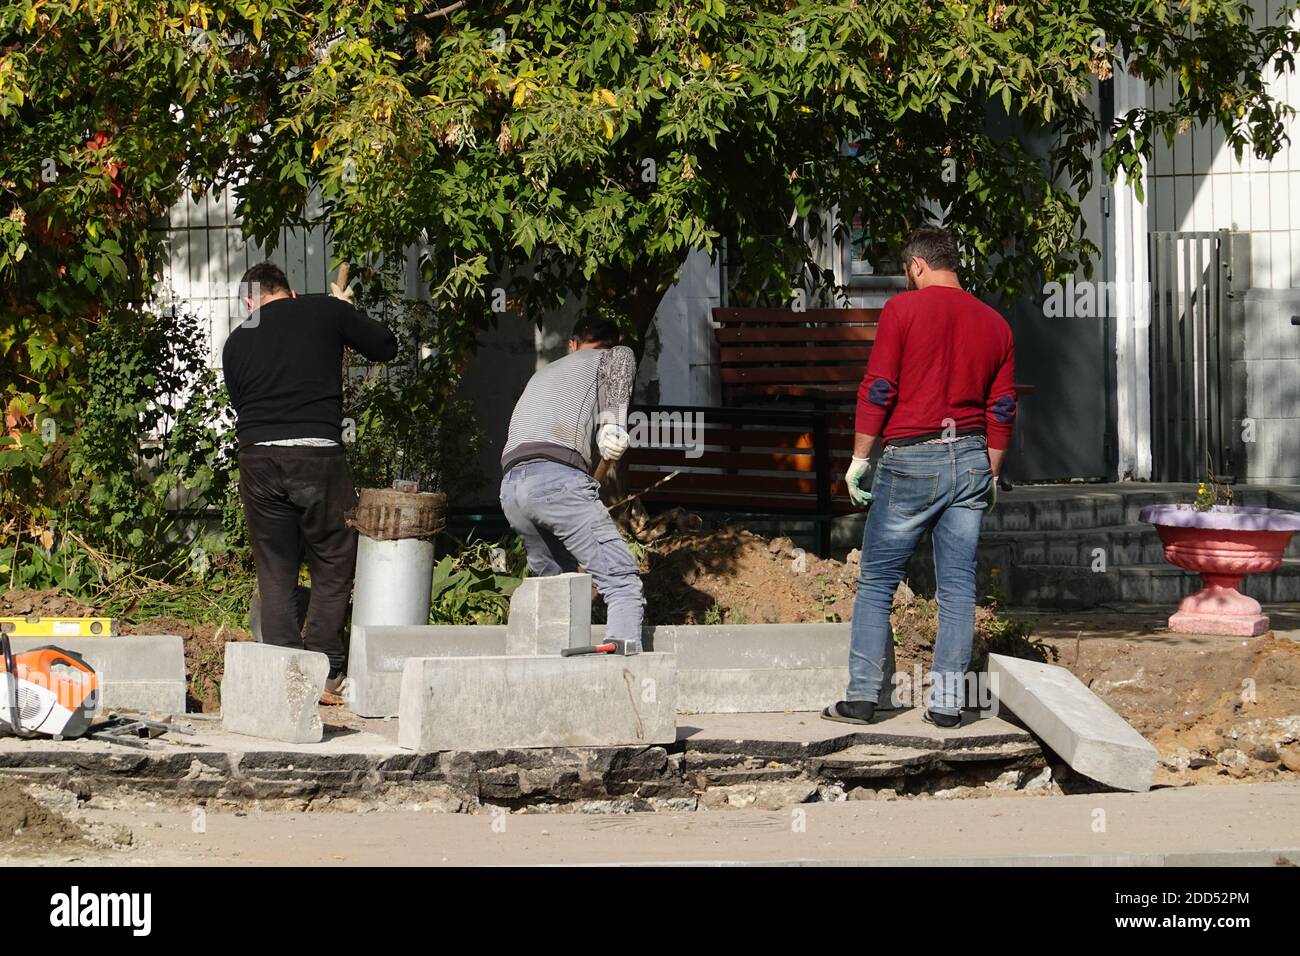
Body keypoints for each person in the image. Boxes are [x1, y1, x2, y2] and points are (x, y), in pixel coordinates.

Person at [824, 226, 1017, 728]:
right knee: (958, 588)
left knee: (877, 580)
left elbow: (880, 387)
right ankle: (948, 707)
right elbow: (1001, 406)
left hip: (912, 457)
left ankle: (863, 699)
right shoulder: (996, 323)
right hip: (973, 457)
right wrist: (991, 474)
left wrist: (860, 459)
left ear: (916, 266)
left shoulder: (902, 311)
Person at [222, 262, 398, 699]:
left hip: (257, 460)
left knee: (275, 568)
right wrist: (345, 313)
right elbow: (386, 346)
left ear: (250, 301)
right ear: (291, 292)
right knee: (334, 558)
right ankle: (326, 666)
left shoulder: (236, 341)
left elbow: (242, 403)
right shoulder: (323, 311)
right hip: (316, 455)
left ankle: (287, 674)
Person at [499, 316, 643, 643]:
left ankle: (551, 666)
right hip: (556, 480)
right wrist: (612, 423)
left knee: (557, 585)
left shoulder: (542, 375)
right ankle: (624, 674)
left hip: (511, 489)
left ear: (572, 345)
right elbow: (622, 360)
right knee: (621, 581)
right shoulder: (611, 356)